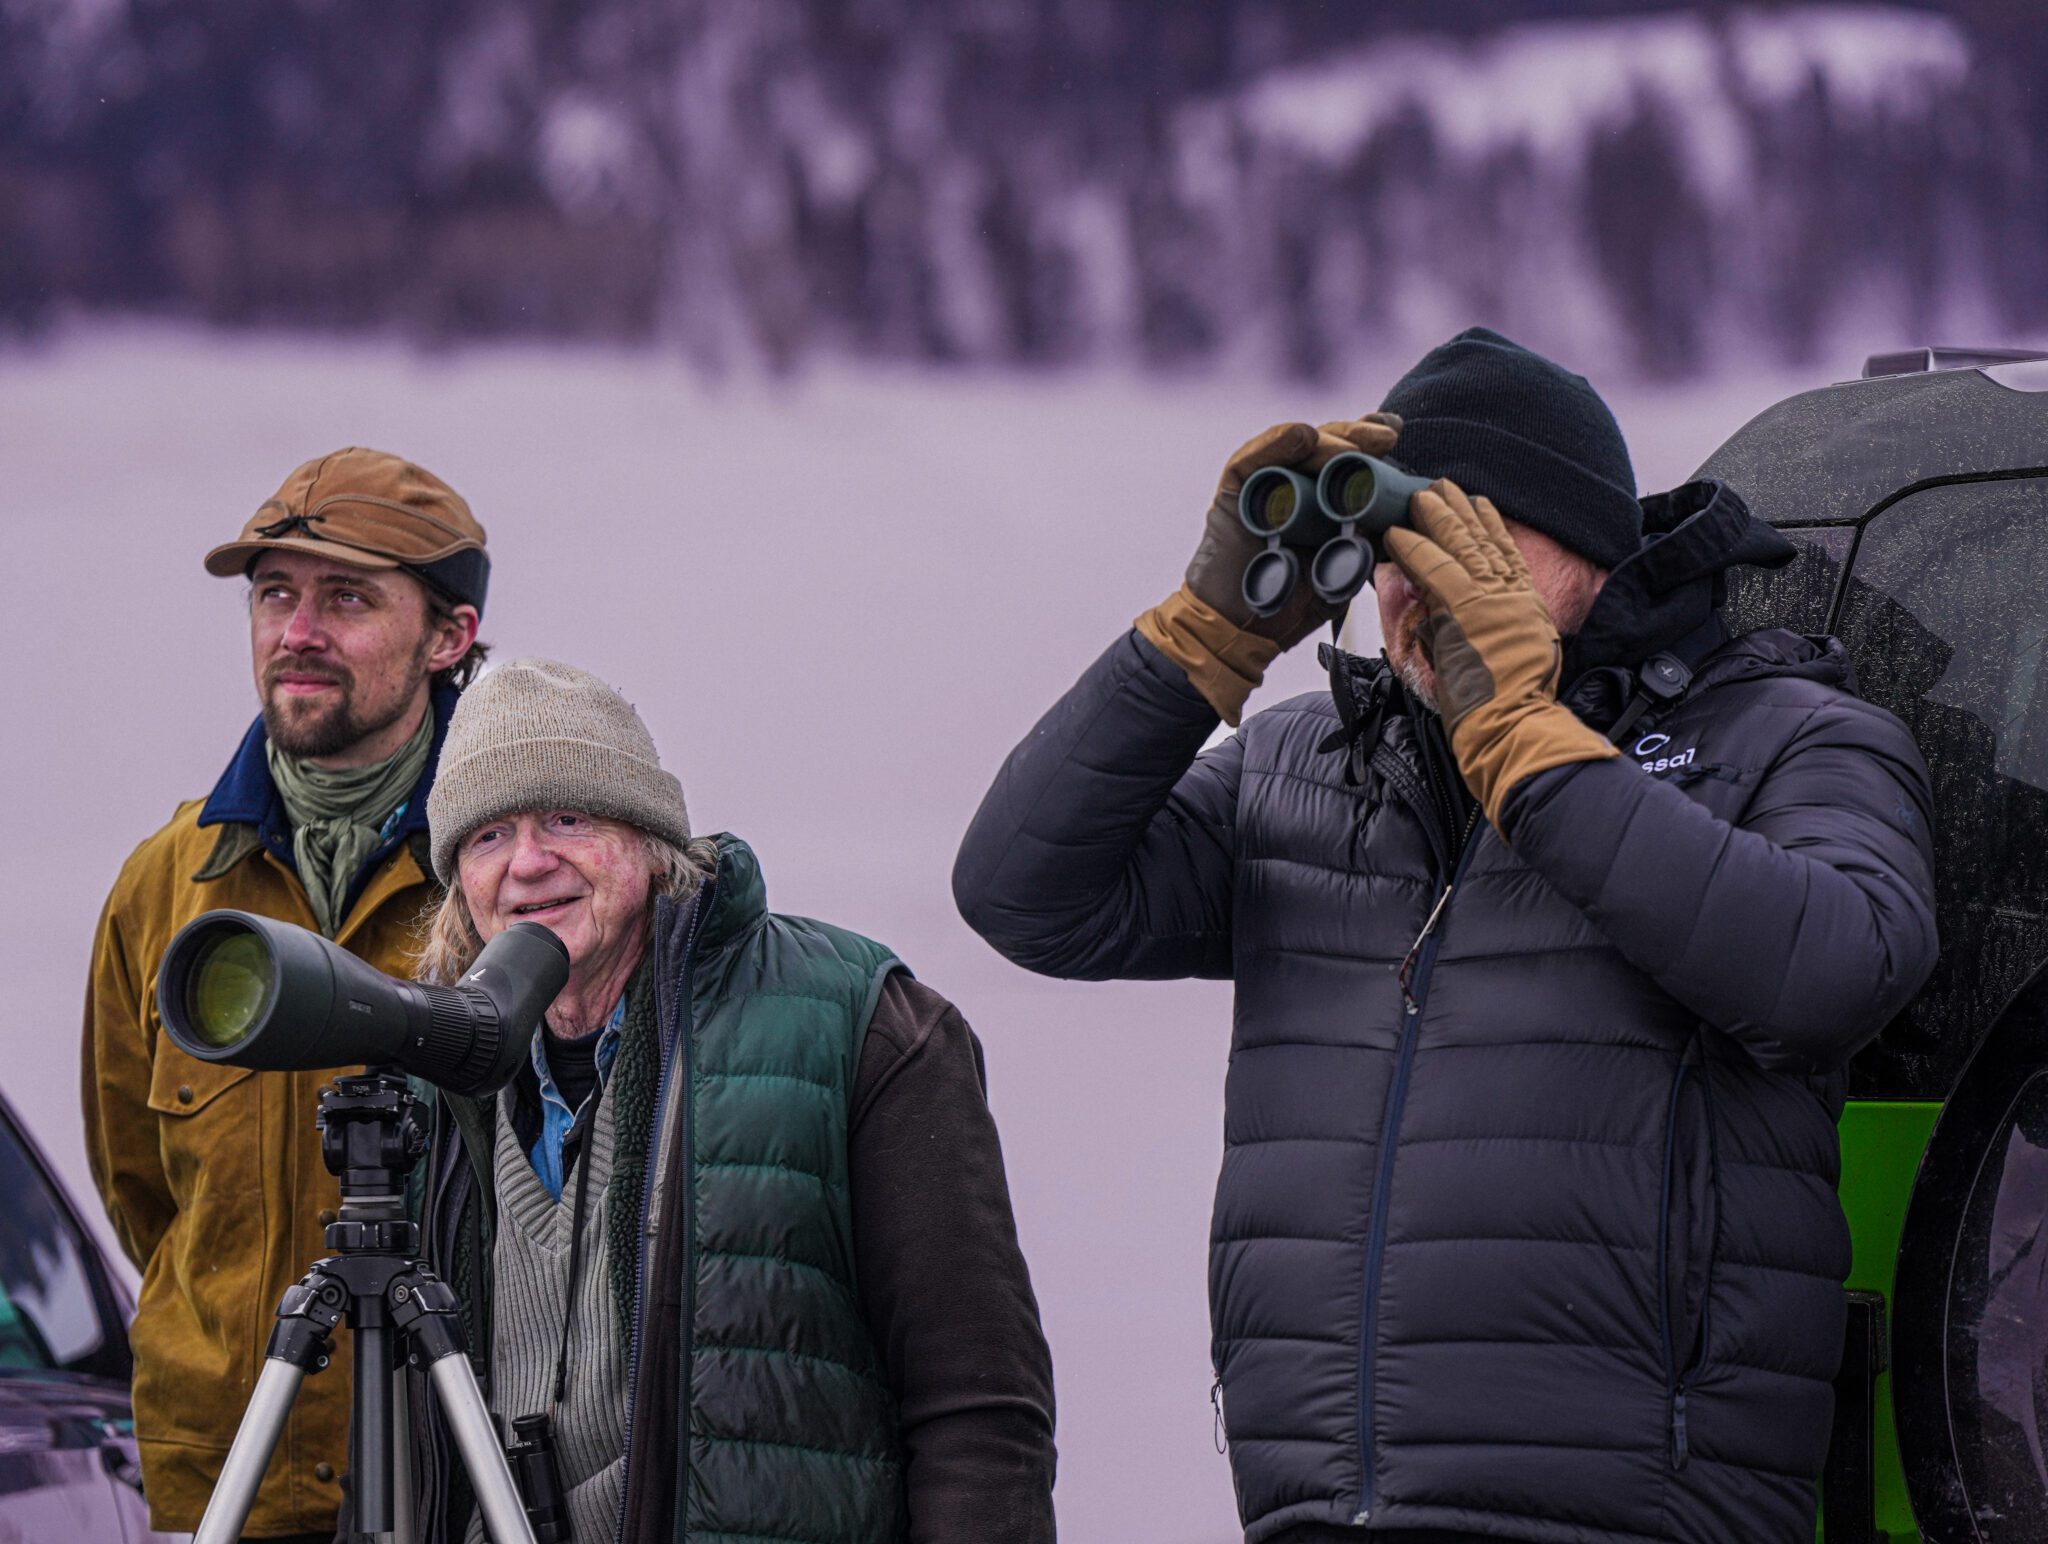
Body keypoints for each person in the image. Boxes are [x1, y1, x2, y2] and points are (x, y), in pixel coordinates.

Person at [952, 327, 1940, 1544]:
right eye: (1387, 548)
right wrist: (1198, 641)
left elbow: (1833, 970)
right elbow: (1023, 891)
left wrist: (1528, 745)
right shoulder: (1306, 768)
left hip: (1638, 1510)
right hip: (1320, 1504)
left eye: (1463, 538)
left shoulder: (1786, 735)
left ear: (1580, 543)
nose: (1416, 587)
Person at [410, 658, 1056, 1544]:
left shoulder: (857, 1024)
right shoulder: (436, 1086)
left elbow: (979, 1410)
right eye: (488, 836)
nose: (528, 862)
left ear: (648, 838)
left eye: (568, 817)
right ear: (459, 882)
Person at [81, 447, 489, 1541]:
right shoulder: (166, 881)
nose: (295, 630)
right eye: (274, 594)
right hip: (231, 1475)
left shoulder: (512, 869)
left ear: (449, 636)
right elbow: (141, 1191)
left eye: (346, 596)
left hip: (463, 1470)